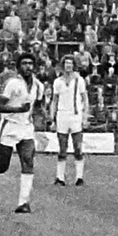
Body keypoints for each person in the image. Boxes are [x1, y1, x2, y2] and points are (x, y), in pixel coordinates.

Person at [0, 56, 42, 213]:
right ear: (18, 67)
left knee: (28, 160)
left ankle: (24, 203)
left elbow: (36, 104)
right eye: (24, 63)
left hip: (26, 127)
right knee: (2, 167)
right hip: (10, 126)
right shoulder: (13, 84)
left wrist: (41, 116)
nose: (28, 66)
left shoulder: (37, 85)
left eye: (30, 63)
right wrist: (17, 110)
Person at [48, 56, 90, 188]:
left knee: (78, 147)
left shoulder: (79, 80)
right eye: (66, 63)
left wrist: (85, 116)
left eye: (70, 63)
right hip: (62, 116)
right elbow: (54, 100)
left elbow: (85, 98)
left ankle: (79, 177)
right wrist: (52, 118)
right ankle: (60, 177)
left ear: (74, 65)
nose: (68, 66)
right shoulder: (57, 82)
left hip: (75, 115)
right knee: (62, 148)